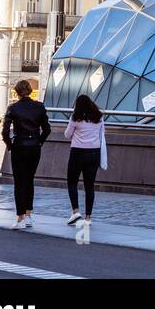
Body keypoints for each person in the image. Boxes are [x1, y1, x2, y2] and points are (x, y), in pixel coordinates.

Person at [1, 80, 51, 230]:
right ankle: (28, 214)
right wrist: (39, 142)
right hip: (34, 147)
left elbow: (4, 131)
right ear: (29, 91)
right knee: (29, 180)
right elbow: (47, 129)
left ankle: (20, 216)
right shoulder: (39, 107)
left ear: (17, 92)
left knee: (19, 182)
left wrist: (10, 146)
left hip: (19, 146)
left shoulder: (13, 108)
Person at [63, 94, 107, 230]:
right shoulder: (99, 118)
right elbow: (101, 135)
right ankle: (88, 218)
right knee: (89, 186)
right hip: (94, 153)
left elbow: (67, 135)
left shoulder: (75, 118)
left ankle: (76, 211)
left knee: (72, 182)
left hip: (77, 153)